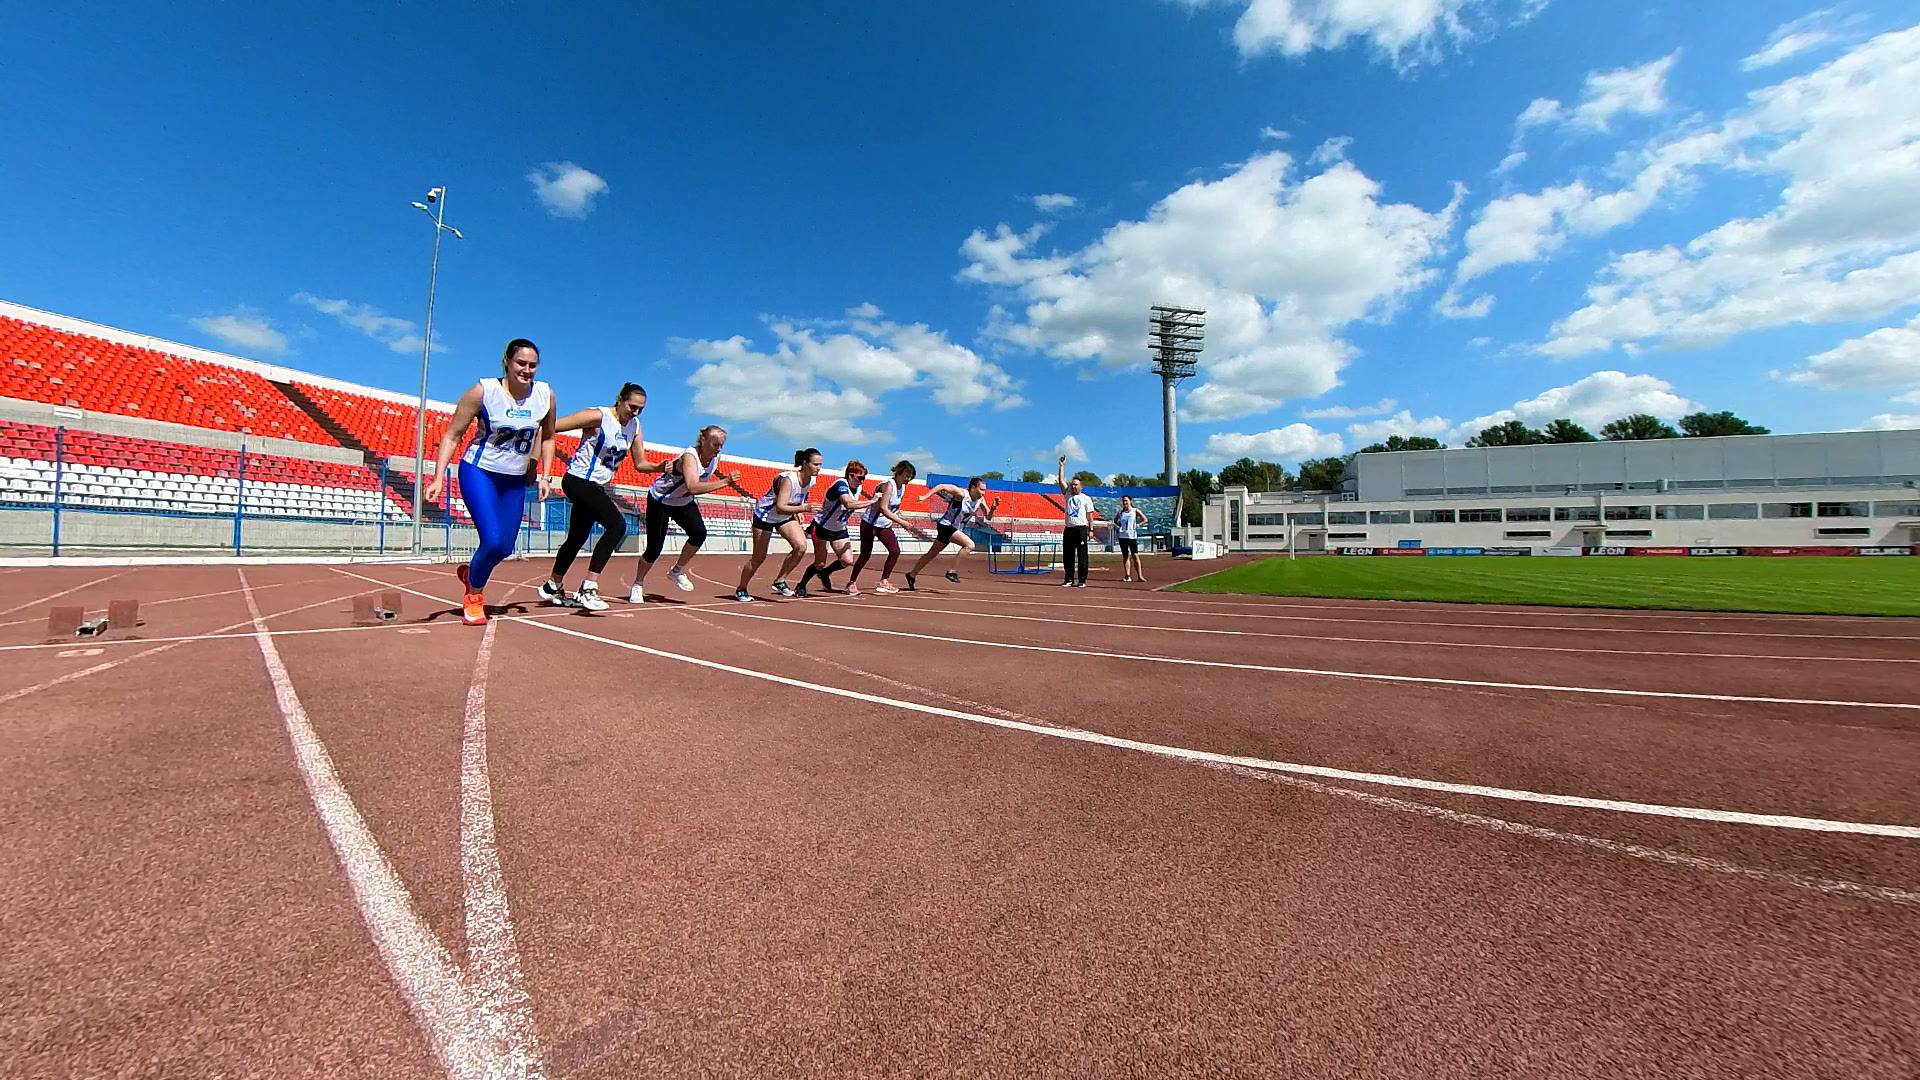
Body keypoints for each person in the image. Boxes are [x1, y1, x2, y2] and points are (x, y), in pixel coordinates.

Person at [425, 338, 557, 626]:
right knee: (493, 540)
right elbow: (452, 435)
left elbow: (548, 437)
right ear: (507, 362)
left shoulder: (545, 395)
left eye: (533, 365)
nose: (527, 370)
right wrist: (438, 476)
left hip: (514, 480)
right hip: (480, 472)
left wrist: (545, 475)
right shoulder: (483, 391)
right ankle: (474, 595)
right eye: (521, 363)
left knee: (505, 547)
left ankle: (471, 574)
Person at [537, 383, 646, 612]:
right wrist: (537, 466)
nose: (635, 412)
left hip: (596, 486)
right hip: (578, 480)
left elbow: (640, 464)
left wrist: (661, 467)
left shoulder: (635, 427)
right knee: (617, 526)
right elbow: (549, 428)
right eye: (632, 406)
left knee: (576, 539)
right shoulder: (597, 416)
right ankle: (588, 588)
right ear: (620, 399)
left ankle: (552, 585)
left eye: (640, 409)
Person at [628, 424, 748, 603]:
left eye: (721, 445)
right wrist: (726, 481)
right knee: (654, 548)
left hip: (682, 502)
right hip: (661, 500)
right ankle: (637, 584)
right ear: (703, 441)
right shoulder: (689, 457)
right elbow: (692, 486)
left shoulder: (716, 458)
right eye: (715, 444)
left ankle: (677, 570)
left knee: (699, 533)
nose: (718, 449)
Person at [735, 448, 822, 602]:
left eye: (820, 464)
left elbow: (800, 496)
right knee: (758, 558)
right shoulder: (788, 480)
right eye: (815, 464)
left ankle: (780, 580)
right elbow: (780, 507)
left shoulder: (812, 480)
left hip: (784, 517)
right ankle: (741, 588)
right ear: (805, 463)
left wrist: (798, 509)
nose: (819, 468)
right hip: (765, 516)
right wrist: (804, 508)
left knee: (801, 546)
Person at [795, 460, 876, 597]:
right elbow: (848, 503)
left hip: (839, 529)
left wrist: (873, 498)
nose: (862, 481)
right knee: (819, 563)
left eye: (864, 478)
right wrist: (872, 501)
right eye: (860, 478)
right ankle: (801, 585)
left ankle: (825, 573)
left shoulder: (858, 487)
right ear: (851, 475)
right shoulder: (840, 485)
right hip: (822, 527)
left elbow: (859, 495)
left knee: (847, 560)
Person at [903, 476, 999, 591]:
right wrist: (925, 496)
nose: (983, 493)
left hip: (953, 528)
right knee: (969, 545)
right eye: (981, 489)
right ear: (973, 488)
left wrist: (993, 508)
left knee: (931, 554)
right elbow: (941, 486)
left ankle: (912, 575)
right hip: (946, 525)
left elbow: (988, 516)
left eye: (985, 490)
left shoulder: (980, 500)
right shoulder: (961, 494)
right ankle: (952, 571)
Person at [845, 460, 917, 595]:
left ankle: (884, 581)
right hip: (870, 524)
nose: (908, 479)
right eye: (906, 476)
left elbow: (892, 508)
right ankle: (851, 582)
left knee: (895, 551)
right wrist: (902, 522)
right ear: (899, 473)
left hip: (884, 525)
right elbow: (883, 508)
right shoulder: (888, 486)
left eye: (910, 477)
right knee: (865, 555)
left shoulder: (902, 488)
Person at [1057, 455, 1096, 589]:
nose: (1073, 486)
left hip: (1081, 529)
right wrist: (1062, 466)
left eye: (1076, 484)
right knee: (1068, 556)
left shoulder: (1086, 499)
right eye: (1072, 484)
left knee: (1082, 556)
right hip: (1069, 528)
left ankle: (1082, 580)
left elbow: (1090, 516)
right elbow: (1061, 481)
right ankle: (1068, 579)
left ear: (1081, 486)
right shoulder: (1067, 494)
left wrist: (1091, 530)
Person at [1114, 495, 1148, 583]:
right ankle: (1127, 576)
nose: (1125, 502)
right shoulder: (1120, 512)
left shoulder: (1135, 510)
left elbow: (1145, 519)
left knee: (1135, 555)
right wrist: (1119, 526)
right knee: (1125, 556)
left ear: (1130, 501)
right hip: (1122, 536)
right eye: (1123, 501)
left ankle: (1140, 576)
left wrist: (1138, 525)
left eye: (1126, 500)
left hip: (1132, 536)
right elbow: (1115, 520)